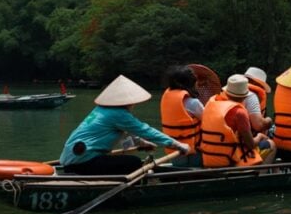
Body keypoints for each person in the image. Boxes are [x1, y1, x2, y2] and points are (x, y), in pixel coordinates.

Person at [60, 74, 191, 175]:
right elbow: (145, 130)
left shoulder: (100, 109)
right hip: (83, 162)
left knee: (128, 161)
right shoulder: (118, 114)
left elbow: (125, 133)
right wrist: (177, 145)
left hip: (69, 160)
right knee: (132, 162)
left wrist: (142, 143)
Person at [200, 74, 273, 167]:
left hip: (209, 157)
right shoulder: (240, 113)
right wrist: (260, 136)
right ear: (244, 96)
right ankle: (260, 178)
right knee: (271, 144)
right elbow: (251, 145)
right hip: (230, 160)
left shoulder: (212, 103)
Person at [159, 65, 204, 168]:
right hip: (193, 151)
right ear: (191, 83)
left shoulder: (167, 96)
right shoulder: (193, 103)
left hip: (174, 148)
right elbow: (208, 120)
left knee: (179, 170)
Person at [241, 66, 274, 134]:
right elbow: (258, 126)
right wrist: (269, 120)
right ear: (257, 83)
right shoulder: (252, 96)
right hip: (248, 137)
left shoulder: (231, 91)